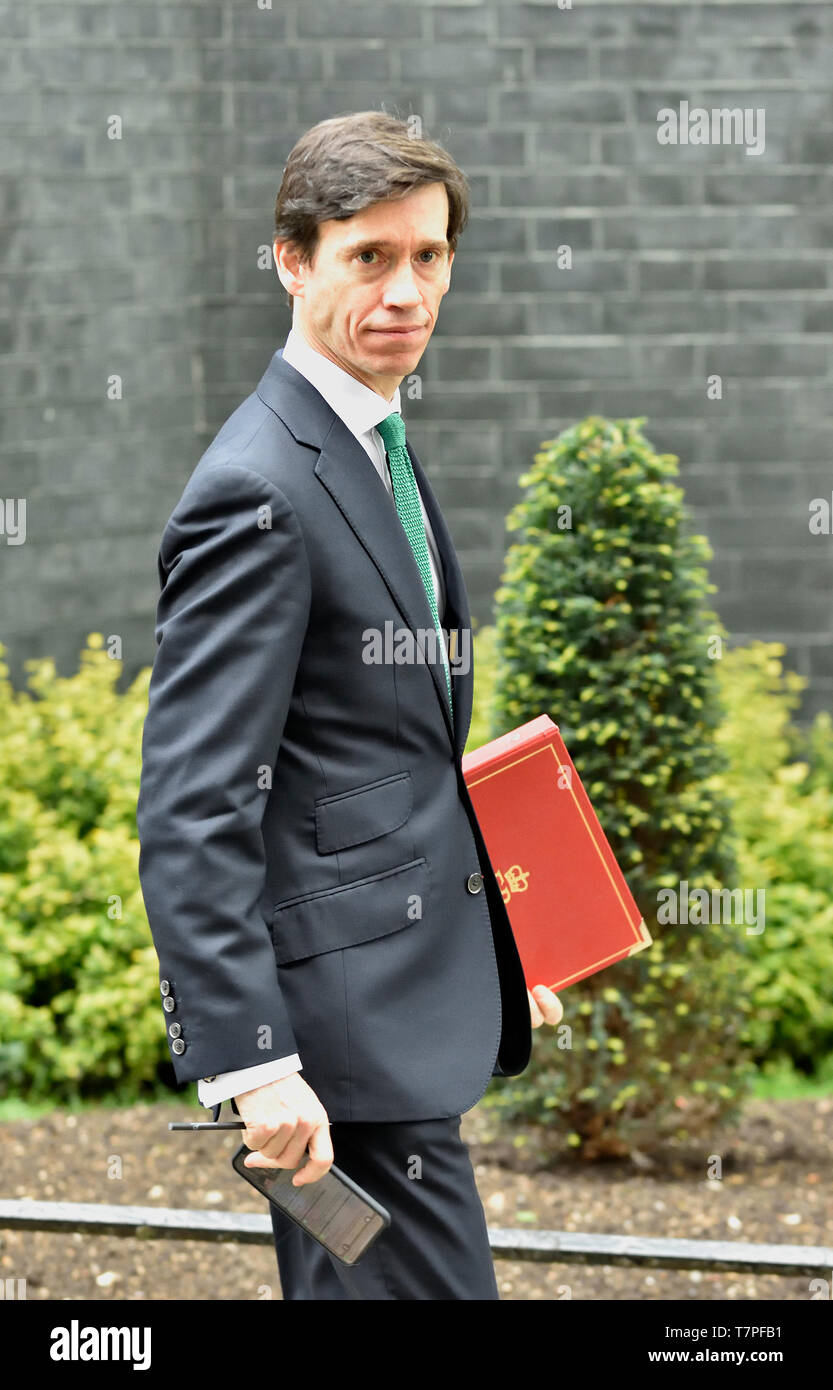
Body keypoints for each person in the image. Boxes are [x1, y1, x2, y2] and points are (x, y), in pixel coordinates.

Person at [136, 110, 562, 1301]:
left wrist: (487, 939)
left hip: (399, 1027)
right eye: (367, 256)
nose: (405, 289)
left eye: (427, 256)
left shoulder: (365, 434)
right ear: (291, 259)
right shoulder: (255, 488)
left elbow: (380, 754)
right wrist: (254, 1065)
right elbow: (191, 808)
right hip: (335, 1066)